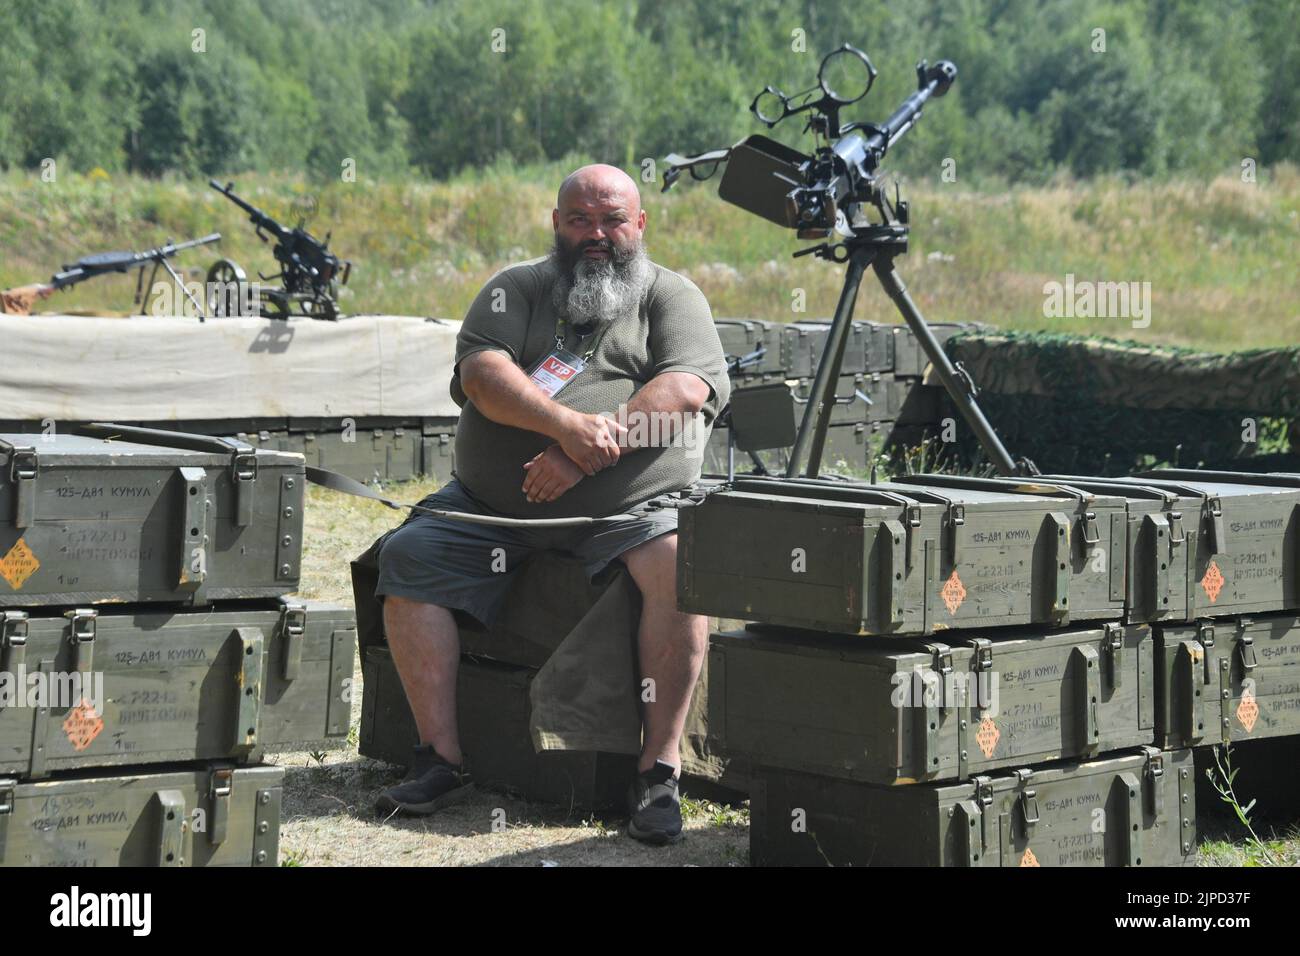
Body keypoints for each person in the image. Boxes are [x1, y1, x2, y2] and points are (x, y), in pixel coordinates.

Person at [372, 163, 730, 845]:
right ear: (557, 224)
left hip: (631, 509)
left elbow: (685, 389)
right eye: (580, 220)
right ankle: (439, 759)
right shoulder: (516, 290)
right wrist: (562, 426)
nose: (596, 235)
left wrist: (583, 455)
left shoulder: (671, 296)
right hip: (490, 507)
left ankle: (660, 771)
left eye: (612, 220)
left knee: (683, 572)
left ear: (640, 224)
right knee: (409, 555)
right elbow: (482, 375)